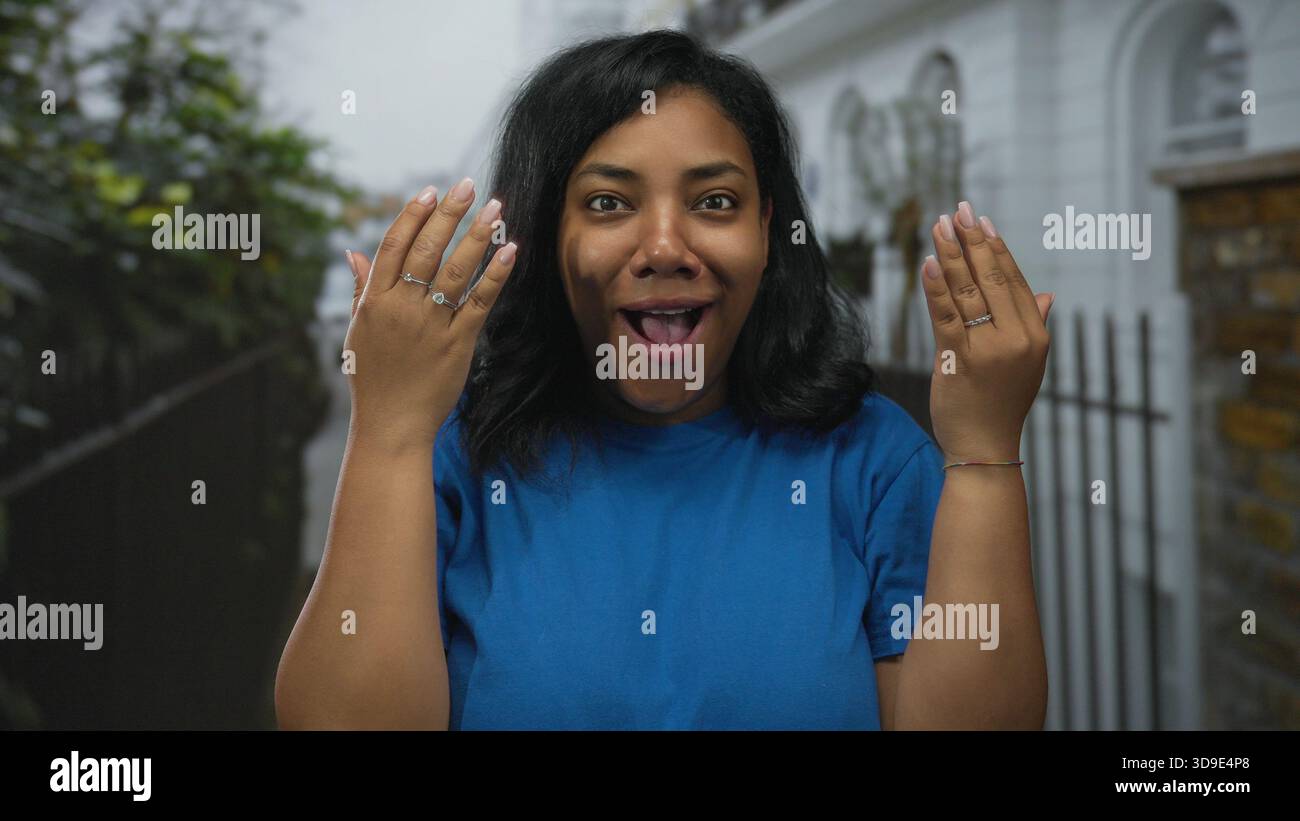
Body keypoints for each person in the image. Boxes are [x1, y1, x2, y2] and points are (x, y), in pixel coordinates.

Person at [275, 29, 1051, 730]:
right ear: (547, 237)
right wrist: (388, 432)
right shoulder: (453, 459)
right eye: (609, 203)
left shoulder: (874, 462)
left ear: (765, 232)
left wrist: (986, 451)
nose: (666, 246)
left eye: (715, 201)